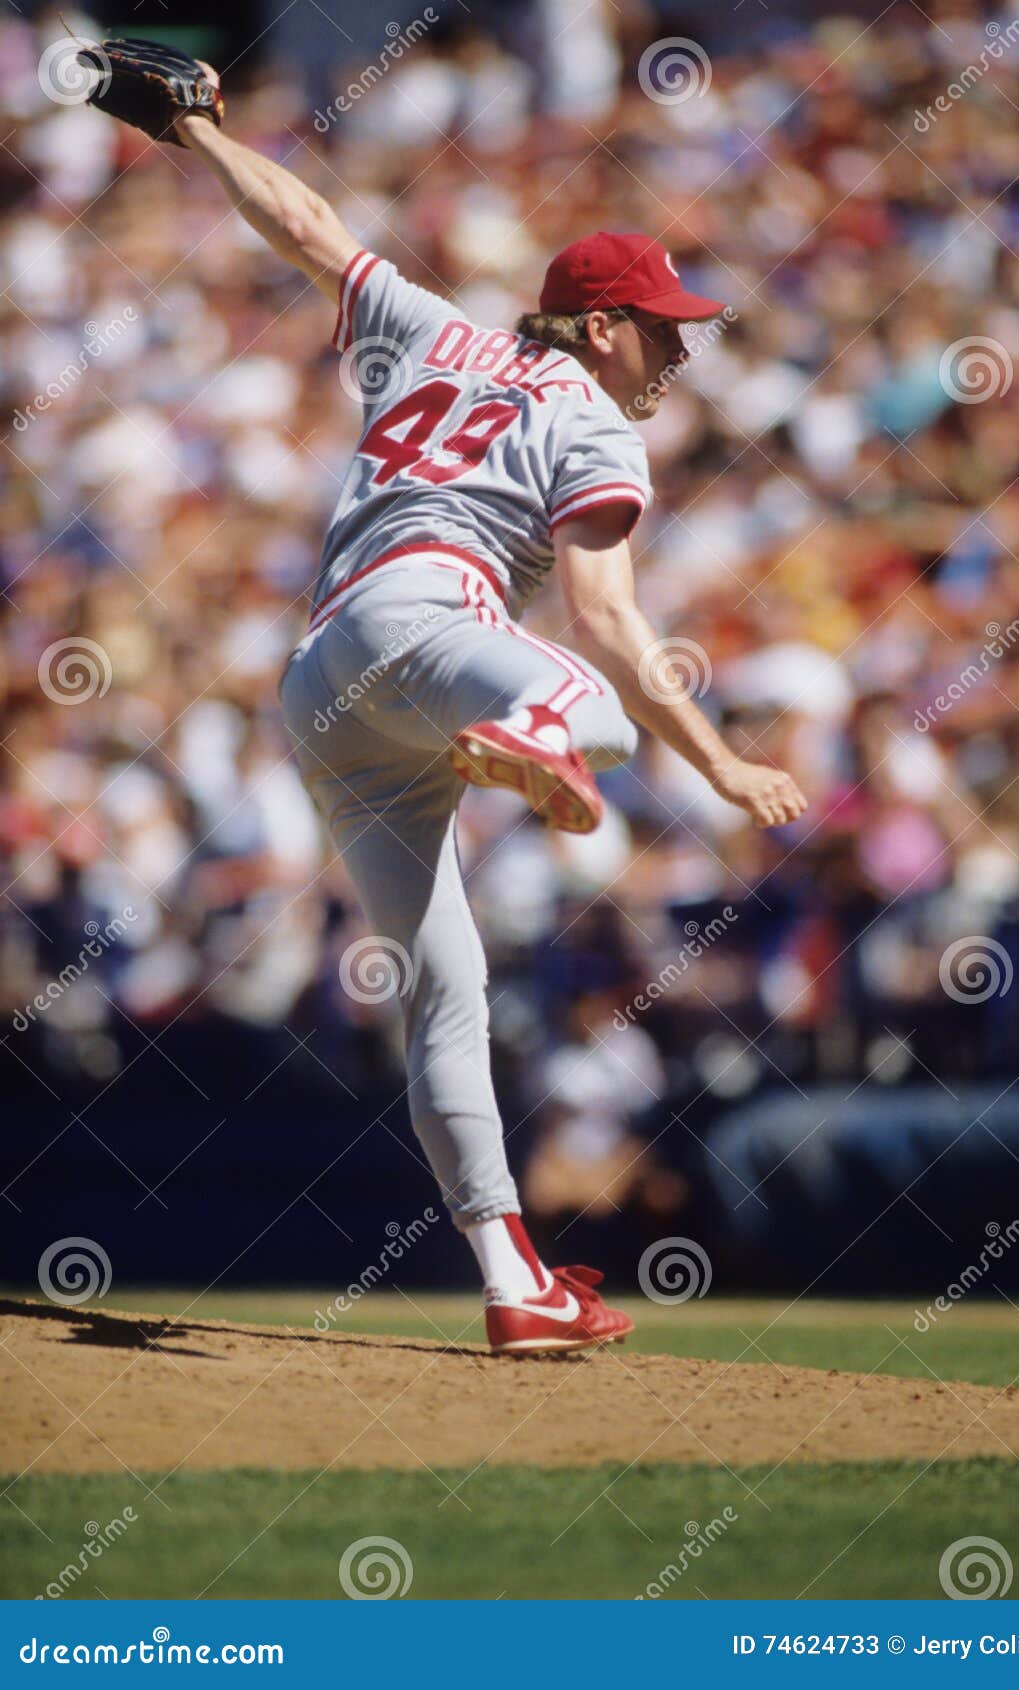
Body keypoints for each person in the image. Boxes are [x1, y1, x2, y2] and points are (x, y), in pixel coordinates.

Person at [173, 109, 807, 1353]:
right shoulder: (599, 421)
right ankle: (531, 731)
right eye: (666, 326)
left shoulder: (435, 331)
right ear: (603, 325)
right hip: (429, 632)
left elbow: (306, 227)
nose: (678, 348)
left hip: (323, 686)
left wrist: (197, 131)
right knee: (599, 712)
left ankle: (513, 1279)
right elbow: (607, 623)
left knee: (447, 989)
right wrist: (724, 762)